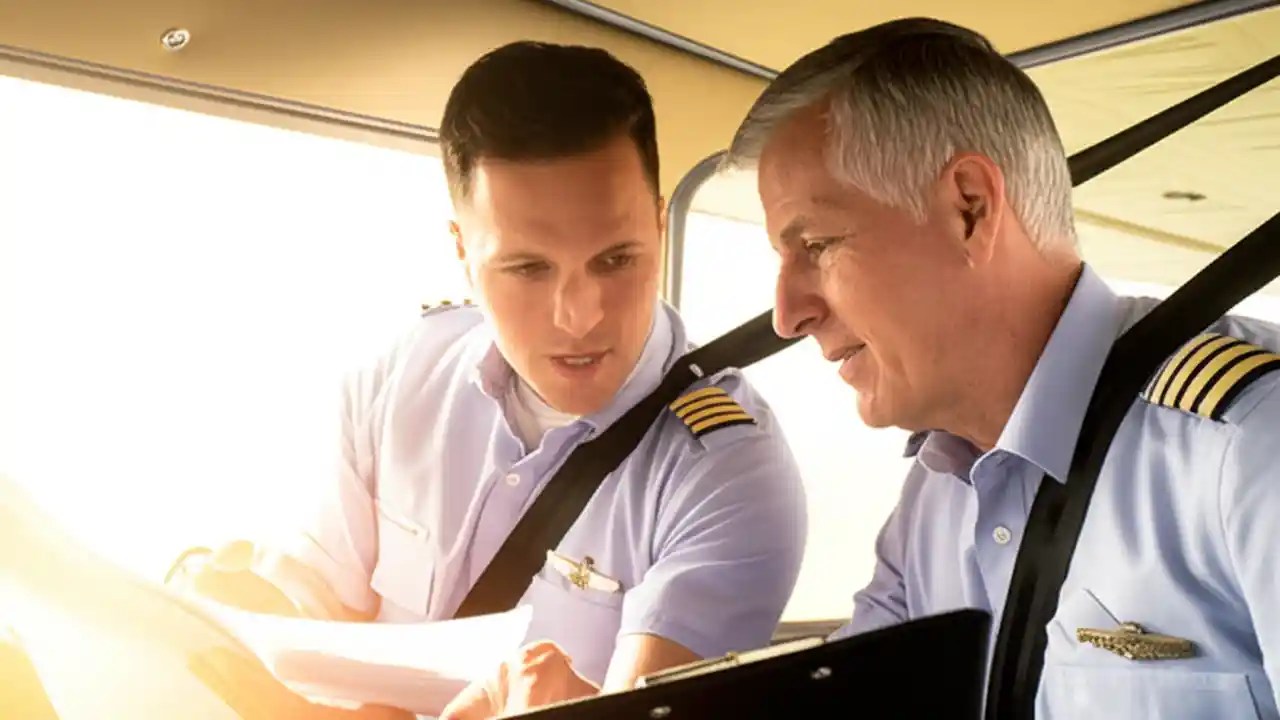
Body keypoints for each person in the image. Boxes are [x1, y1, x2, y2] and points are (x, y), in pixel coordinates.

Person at [446, 17, 1280, 720]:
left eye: (816, 244)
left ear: (969, 208)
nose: (787, 313)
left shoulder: (1249, 448)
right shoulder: (938, 500)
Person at [176, 39, 808, 715]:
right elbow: (318, 607)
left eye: (616, 259)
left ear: (658, 226)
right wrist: (221, 614)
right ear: (462, 252)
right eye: (529, 269)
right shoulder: (397, 378)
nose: (579, 316)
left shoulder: (728, 472)